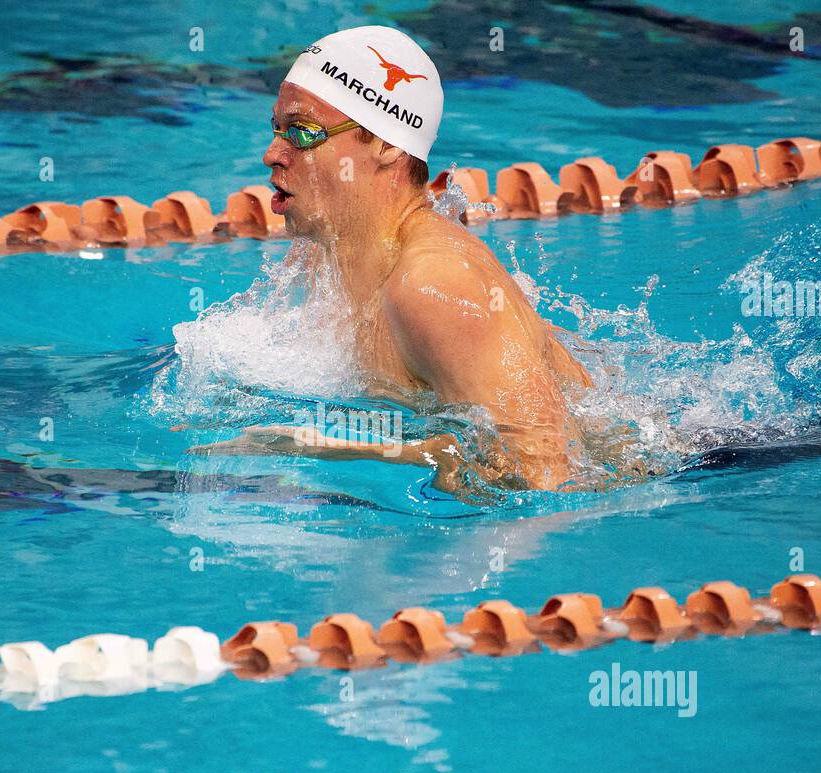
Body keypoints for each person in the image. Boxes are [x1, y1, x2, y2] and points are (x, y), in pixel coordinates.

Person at [189, 25, 594, 495]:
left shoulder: (435, 287)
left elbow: (551, 479)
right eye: (276, 129)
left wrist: (323, 444)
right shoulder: (330, 247)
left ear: (387, 144)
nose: (271, 154)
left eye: (301, 132)